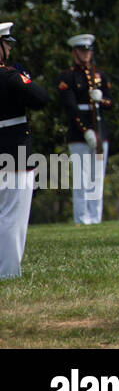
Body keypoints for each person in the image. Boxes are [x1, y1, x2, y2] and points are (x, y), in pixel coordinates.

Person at [1, 21, 50, 279]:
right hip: (14, 152)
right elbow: (41, 98)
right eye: (6, 44)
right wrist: (25, 79)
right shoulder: (9, 76)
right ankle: (8, 273)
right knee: (12, 216)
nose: (8, 49)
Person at [58, 34, 113, 224]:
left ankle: (95, 217)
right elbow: (70, 107)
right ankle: (81, 218)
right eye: (82, 50)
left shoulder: (99, 74)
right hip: (78, 131)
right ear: (75, 52)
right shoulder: (68, 76)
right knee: (81, 178)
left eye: (88, 50)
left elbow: (110, 103)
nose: (86, 54)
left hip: (99, 128)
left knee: (97, 175)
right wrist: (85, 130)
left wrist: (101, 99)